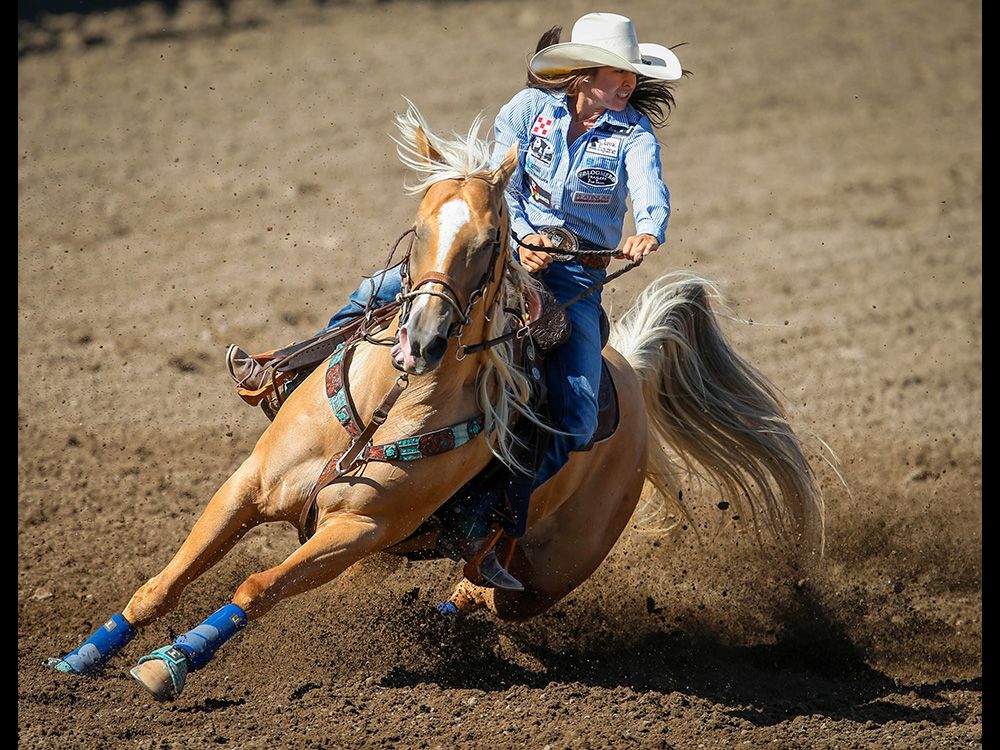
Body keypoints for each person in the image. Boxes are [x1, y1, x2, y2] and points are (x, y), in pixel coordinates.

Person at [227, 12, 683, 591]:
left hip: (572, 276)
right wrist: (521, 242)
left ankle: (494, 516)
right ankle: (291, 370)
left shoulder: (634, 136)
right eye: (617, 73)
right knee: (376, 293)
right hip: (498, 253)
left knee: (577, 412)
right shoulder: (525, 113)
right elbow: (495, 189)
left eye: (629, 75)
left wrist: (647, 229)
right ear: (581, 74)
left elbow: (649, 190)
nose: (627, 84)